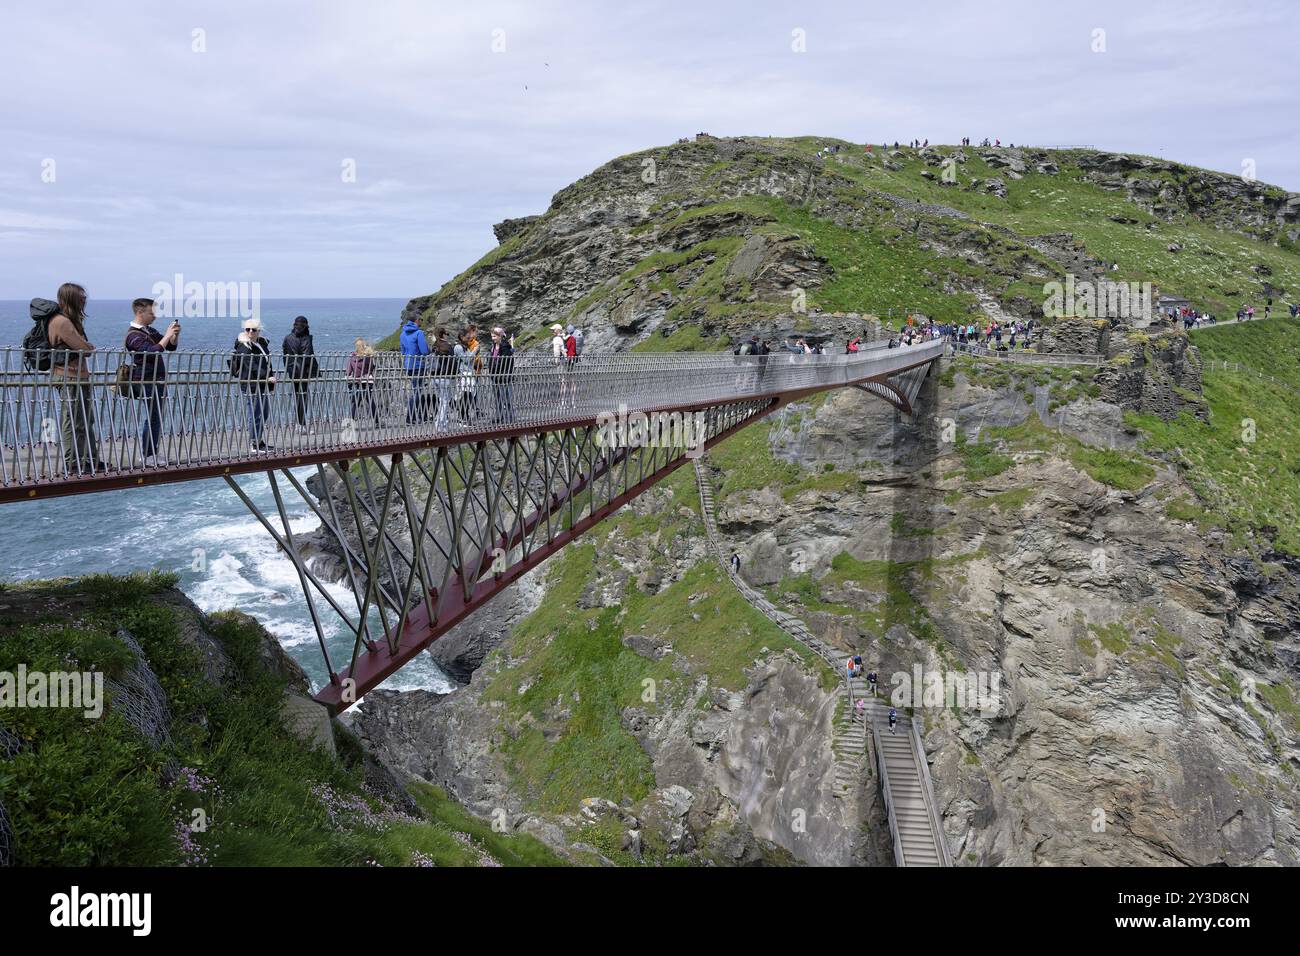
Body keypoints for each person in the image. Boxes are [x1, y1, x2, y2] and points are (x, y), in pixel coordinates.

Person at [46, 282, 106, 474]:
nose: (84, 300)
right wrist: (87, 346)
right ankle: (72, 462)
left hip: (77, 377)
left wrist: (84, 346)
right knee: (72, 420)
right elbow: (84, 349)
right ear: (71, 299)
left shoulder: (70, 321)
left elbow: (81, 347)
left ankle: (89, 459)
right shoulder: (61, 322)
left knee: (85, 420)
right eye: (81, 297)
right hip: (68, 377)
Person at [125, 297, 180, 466]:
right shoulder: (133, 335)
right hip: (145, 380)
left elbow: (169, 346)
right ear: (140, 312)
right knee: (153, 417)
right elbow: (152, 352)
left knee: (155, 417)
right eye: (152, 313)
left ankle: (151, 452)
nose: (155, 316)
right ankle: (147, 455)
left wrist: (174, 336)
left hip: (155, 379)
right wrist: (167, 337)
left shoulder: (149, 331)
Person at [231, 318, 275, 452]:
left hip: (261, 384)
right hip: (251, 384)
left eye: (253, 329)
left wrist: (269, 376)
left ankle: (259, 440)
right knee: (255, 413)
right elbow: (250, 365)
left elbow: (267, 362)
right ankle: (254, 443)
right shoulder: (244, 346)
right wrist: (267, 377)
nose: (250, 332)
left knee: (264, 413)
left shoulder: (260, 344)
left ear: (258, 331)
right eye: (247, 329)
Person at [282, 315, 319, 433]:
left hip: (293, 371)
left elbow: (285, 355)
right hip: (304, 371)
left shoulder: (288, 338)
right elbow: (308, 354)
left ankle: (299, 424)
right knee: (303, 396)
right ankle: (302, 424)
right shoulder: (306, 338)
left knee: (298, 396)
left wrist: (289, 368)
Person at [400, 317, 431, 424]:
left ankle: (415, 417)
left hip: (408, 365)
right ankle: (410, 417)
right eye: (421, 319)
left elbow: (403, 351)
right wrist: (429, 349)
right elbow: (424, 351)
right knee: (417, 391)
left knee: (415, 390)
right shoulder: (419, 333)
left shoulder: (402, 334)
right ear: (416, 320)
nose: (421, 321)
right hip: (418, 365)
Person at [346, 338, 381, 429]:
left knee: (355, 403)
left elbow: (348, 371)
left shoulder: (352, 357)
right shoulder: (367, 357)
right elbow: (370, 369)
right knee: (370, 402)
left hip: (356, 382)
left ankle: (350, 423)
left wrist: (350, 378)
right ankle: (377, 421)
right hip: (365, 382)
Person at [488, 326, 515, 423]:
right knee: (498, 399)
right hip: (495, 377)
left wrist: (495, 369)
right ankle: (500, 416)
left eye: (494, 336)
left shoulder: (505, 347)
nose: (493, 338)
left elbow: (505, 362)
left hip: (503, 377)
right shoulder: (494, 346)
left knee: (507, 398)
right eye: (492, 336)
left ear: (500, 336)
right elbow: (492, 360)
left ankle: (510, 417)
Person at [431, 327, 456, 428]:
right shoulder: (447, 346)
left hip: (435, 376)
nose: (447, 336)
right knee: (445, 400)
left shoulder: (434, 346)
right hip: (445, 376)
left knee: (441, 399)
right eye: (446, 334)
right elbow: (452, 362)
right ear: (443, 335)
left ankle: (442, 422)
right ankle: (440, 424)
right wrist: (454, 374)